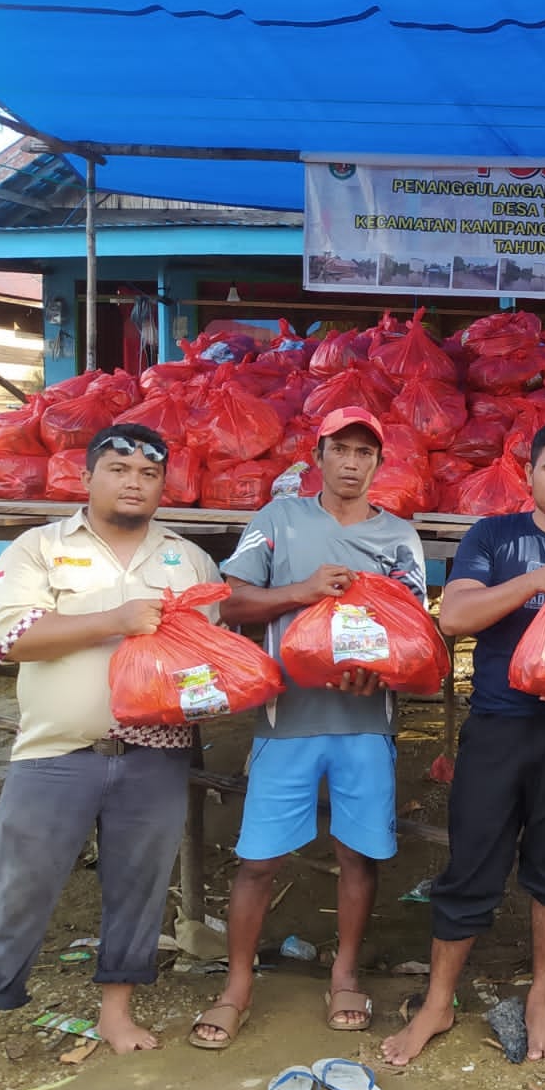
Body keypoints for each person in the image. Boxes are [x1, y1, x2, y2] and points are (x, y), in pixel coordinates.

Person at [0, 424, 221, 1083]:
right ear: (87, 478)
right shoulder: (40, 549)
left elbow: (204, 655)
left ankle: (117, 1012)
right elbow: (9, 638)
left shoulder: (187, 559)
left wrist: (210, 693)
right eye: (118, 468)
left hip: (156, 754)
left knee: (138, 889)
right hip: (56, 751)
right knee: (18, 888)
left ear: (163, 486)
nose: (134, 482)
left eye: (148, 473)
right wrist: (115, 619)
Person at [381, 418, 545, 1067]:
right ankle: (439, 1003)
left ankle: (542, 996)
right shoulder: (492, 537)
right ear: (530, 474)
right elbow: (455, 616)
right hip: (498, 726)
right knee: (470, 867)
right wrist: (537, 580)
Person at [190, 405, 428, 1048]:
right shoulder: (278, 520)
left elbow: (413, 633)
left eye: (365, 453)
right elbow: (231, 602)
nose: (352, 464)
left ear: (380, 463)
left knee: (357, 855)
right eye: (341, 450)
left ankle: (344, 972)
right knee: (259, 860)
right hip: (285, 721)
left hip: (364, 723)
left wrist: (381, 672)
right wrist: (303, 591)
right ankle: (237, 986)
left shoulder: (400, 538)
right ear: (317, 454)